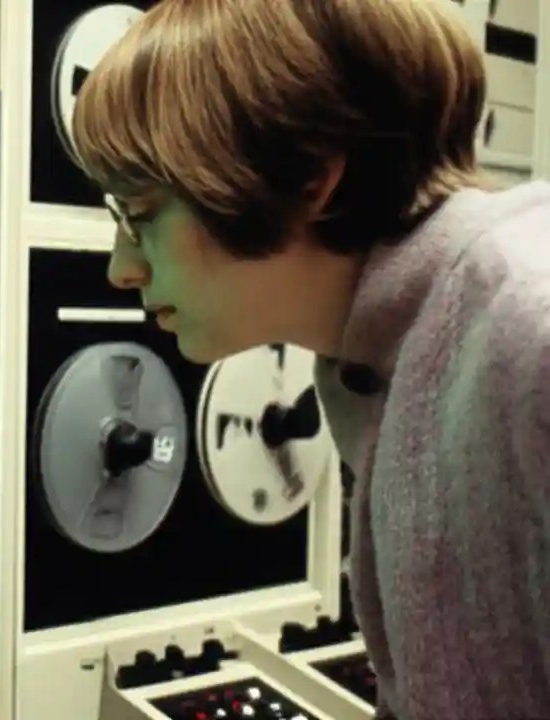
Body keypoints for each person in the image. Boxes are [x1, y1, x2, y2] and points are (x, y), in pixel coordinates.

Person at [69, 0, 550, 717]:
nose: (121, 269)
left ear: (306, 174)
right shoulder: (388, 355)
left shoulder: (527, 325)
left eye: (140, 216)